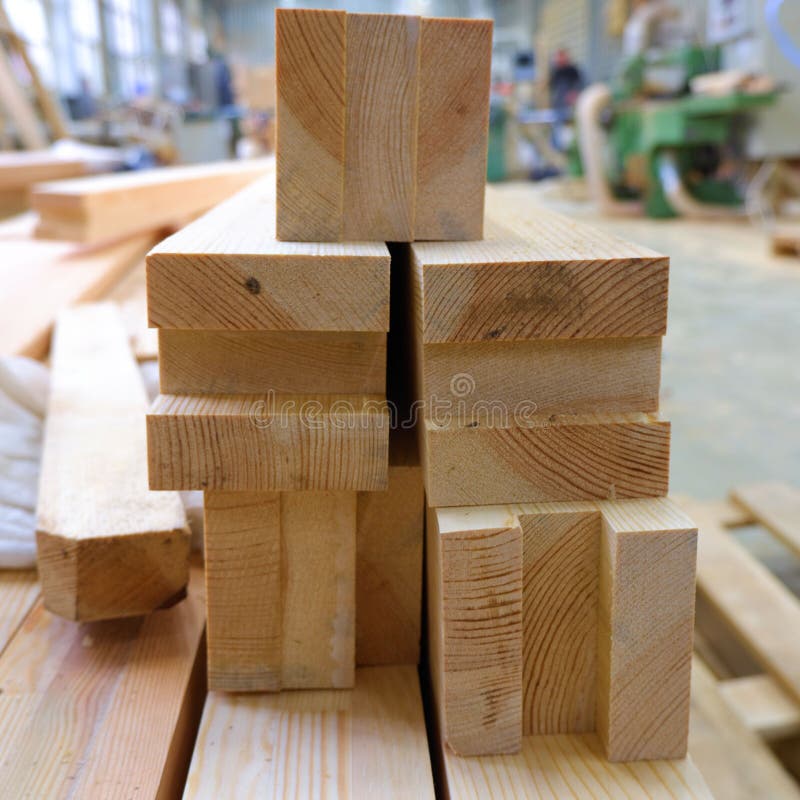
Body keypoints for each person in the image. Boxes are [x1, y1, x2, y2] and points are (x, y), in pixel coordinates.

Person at [549, 48, 585, 112]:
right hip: (558, 106)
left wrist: (574, 94)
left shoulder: (573, 71)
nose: (559, 60)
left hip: (572, 106)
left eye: (561, 57)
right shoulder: (556, 73)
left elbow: (579, 87)